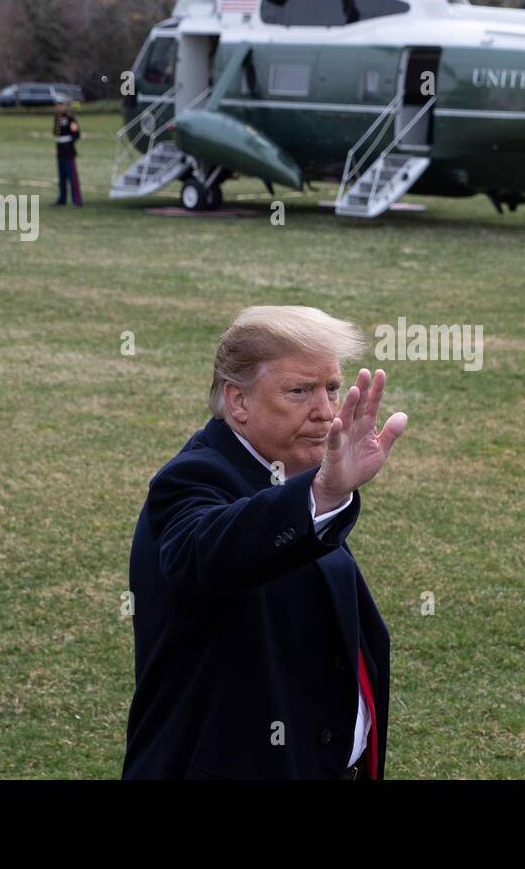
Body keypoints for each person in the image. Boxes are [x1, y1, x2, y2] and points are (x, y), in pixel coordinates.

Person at [123, 306, 408, 779]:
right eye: (299, 391)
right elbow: (204, 554)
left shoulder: (288, 472)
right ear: (239, 403)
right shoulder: (194, 477)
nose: (325, 411)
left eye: (332, 389)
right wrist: (321, 494)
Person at [52, 97, 82, 206]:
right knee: (62, 177)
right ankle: (62, 198)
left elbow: (76, 134)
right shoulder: (57, 117)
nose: (59, 107)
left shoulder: (70, 118)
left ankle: (77, 200)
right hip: (60, 151)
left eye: (61, 105)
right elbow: (56, 132)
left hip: (68, 152)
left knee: (72, 177)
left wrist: (68, 143)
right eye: (57, 105)